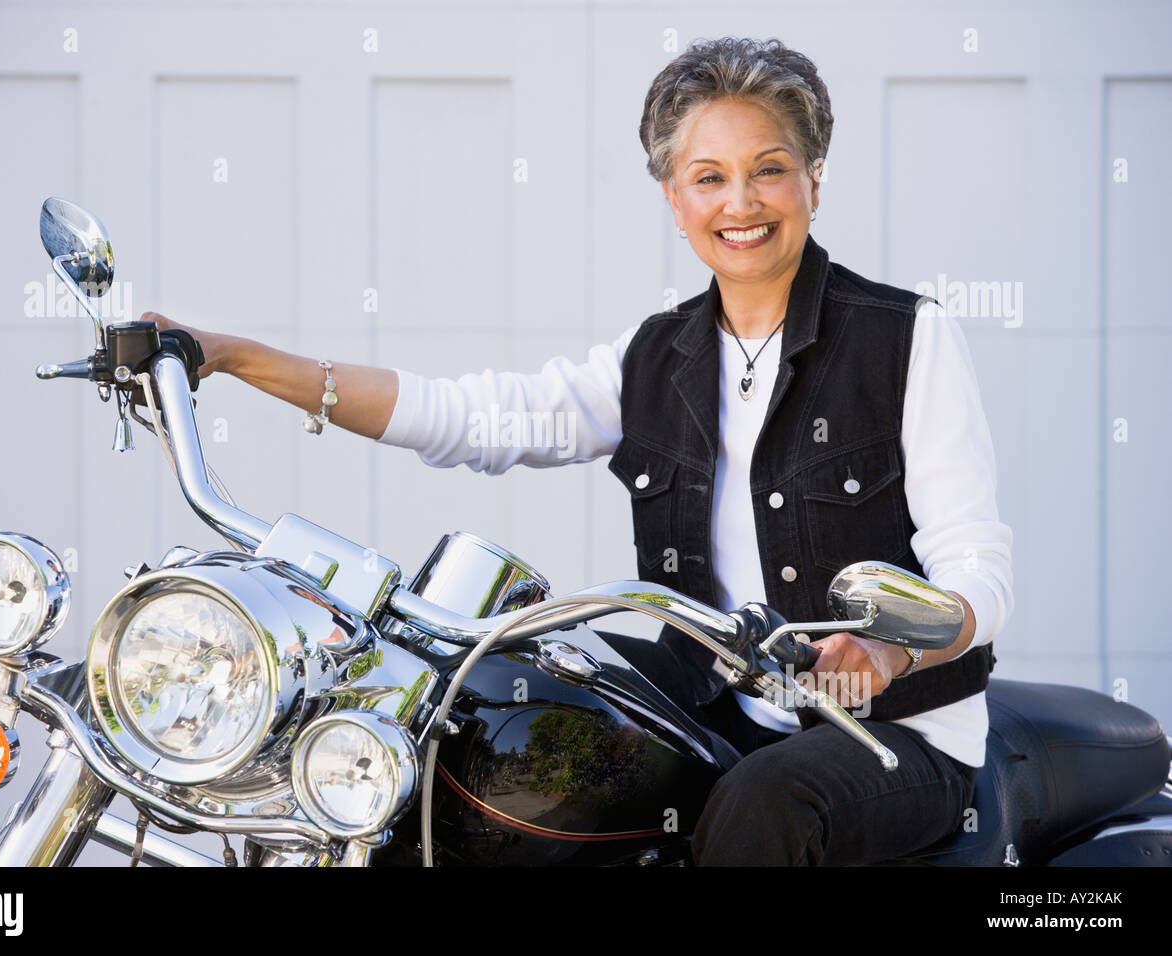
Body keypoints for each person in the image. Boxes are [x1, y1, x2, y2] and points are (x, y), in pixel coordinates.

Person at [141, 36, 1013, 866]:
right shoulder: (655, 358)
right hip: (719, 702)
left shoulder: (906, 338)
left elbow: (977, 567)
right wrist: (234, 356)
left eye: (769, 171)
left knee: (763, 803)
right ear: (676, 200)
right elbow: (473, 417)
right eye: (708, 177)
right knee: (487, 720)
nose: (740, 204)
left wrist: (894, 649)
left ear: (814, 182)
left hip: (898, 736)